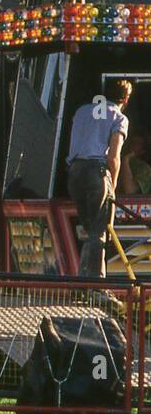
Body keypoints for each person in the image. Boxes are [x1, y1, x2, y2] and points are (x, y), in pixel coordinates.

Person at [66, 80, 132, 278]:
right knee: (99, 230)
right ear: (126, 99)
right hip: (97, 170)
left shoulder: (81, 111)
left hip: (74, 170)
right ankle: (95, 282)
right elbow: (114, 156)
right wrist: (114, 185)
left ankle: (82, 280)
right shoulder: (119, 117)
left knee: (90, 230)